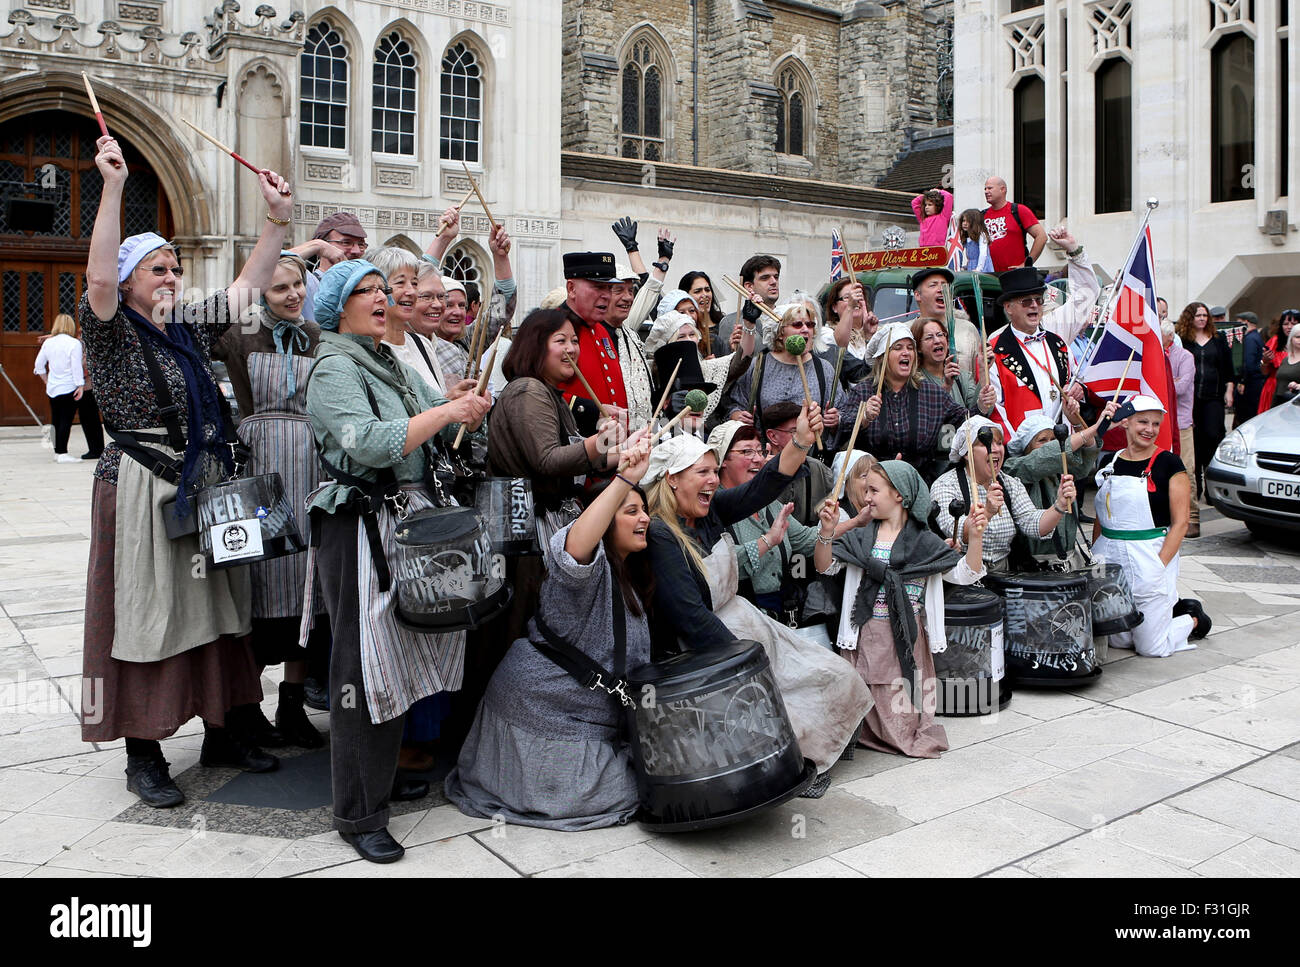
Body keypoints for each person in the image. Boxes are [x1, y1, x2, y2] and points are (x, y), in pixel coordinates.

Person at [79, 134, 293, 807]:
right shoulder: (110, 328)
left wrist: (276, 219)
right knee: (151, 617)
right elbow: (99, 281)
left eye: (175, 268)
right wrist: (112, 187)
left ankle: (223, 733)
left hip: (204, 486)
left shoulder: (186, 329)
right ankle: (143, 755)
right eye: (158, 270)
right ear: (132, 281)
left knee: (219, 612)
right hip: (143, 486)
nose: (171, 278)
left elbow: (246, 287)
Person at [301, 258, 491, 863]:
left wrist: (454, 404)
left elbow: (430, 424)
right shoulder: (333, 365)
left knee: (396, 662)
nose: (382, 298)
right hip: (358, 526)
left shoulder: (383, 360)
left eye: (384, 289)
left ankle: (381, 787)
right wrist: (444, 413)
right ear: (337, 306)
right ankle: (359, 815)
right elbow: (371, 441)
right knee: (361, 669)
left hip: (400, 526)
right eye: (367, 291)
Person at [641, 408, 872, 792]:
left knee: (834, 674)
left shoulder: (710, 509)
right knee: (778, 705)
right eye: (702, 472)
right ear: (672, 479)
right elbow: (692, 620)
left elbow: (763, 486)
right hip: (714, 651)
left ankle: (824, 748)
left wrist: (799, 440)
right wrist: (748, 663)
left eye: (715, 472)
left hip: (748, 623)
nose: (713, 481)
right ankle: (803, 762)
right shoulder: (663, 536)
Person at [445, 435, 653, 830]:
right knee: (637, 788)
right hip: (538, 716)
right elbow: (574, 544)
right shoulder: (582, 575)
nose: (644, 518)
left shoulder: (629, 573)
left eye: (644, 510)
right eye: (630, 511)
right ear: (604, 519)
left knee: (657, 776)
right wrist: (623, 480)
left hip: (581, 719)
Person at [209, 251, 329, 750]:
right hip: (256, 468)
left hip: (311, 467)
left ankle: (293, 704)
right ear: (259, 293)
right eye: (280, 288)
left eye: (298, 284)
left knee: (308, 588)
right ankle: (242, 711)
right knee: (255, 589)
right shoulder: (234, 335)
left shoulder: (319, 337)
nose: (294, 295)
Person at [815, 460, 988, 758]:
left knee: (901, 702)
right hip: (865, 630)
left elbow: (965, 574)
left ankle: (897, 735)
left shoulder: (925, 542)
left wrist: (975, 538)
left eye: (874, 490)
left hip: (906, 637)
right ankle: (865, 733)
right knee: (868, 689)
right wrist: (827, 532)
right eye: (866, 489)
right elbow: (825, 566)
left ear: (899, 495)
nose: (866, 497)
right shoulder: (860, 537)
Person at [1092, 396, 1206, 656]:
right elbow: (1101, 513)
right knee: (1117, 640)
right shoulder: (1109, 462)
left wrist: (1159, 565)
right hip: (1109, 555)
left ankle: (1193, 617)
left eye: (1155, 424)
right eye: (1142, 421)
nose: (1149, 429)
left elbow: (1180, 523)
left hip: (1149, 554)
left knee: (1151, 648)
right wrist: (1095, 555)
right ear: (1126, 423)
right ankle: (1160, 620)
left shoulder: (1169, 463)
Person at [833, 323, 986, 480]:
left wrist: (981, 405)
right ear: (882, 357)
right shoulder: (863, 392)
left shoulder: (931, 393)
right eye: (898, 348)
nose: (906, 353)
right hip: (872, 485)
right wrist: (864, 417)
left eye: (910, 348)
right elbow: (841, 430)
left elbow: (966, 421)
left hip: (920, 483)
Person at [931, 416, 1076, 572]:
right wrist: (987, 513)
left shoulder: (1010, 484)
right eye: (985, 444)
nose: (995, 449)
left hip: (1005, 572)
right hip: (962, 572)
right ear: (966, 453)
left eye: (999, 443)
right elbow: (957, 534)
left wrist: (1059, 505)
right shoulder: (945, 485)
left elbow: (1034, 525)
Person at [709, 421, 817, 621]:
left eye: (760, 451)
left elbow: (804, 540)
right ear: (722, 459)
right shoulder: (712, 507)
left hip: (779, 614)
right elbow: (719, 565)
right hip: (739, 621)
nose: (758, 459)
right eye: (747, 452)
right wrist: (767, 541)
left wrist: (853, 524)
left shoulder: (769, 504)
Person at [1003, 398, 1116, 568]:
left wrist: (1077, 424)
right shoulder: (1014, 467)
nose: (1051, 444)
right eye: (1042, 440)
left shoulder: (1061, 468)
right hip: (1033, 563)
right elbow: (1045, 456)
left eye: (1054, 439)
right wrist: (1095, 428)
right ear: (1025, 447)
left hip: (1068, 558)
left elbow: (1085, 460)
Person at [726, 302, 840, 439]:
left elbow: (842, 411)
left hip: (808, 453)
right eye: (797, 325)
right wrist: (737, 415)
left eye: (810, 325)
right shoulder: (758, 365)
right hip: (765, 453)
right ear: (780, 333)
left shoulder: (824, 369)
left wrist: (835, 419)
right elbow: (735, 403)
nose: (805, 329)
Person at [1176, 302, 1233, 503]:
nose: (1202, 318)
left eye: (1204, 315)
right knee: (1196, 441)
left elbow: (1227, 369)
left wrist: (1229, 391)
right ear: (1190, 318)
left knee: (1212, 437)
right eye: (1198, 315)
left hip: (1214, 396)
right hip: (1191, 399)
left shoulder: (1218, 340)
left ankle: (1211, 487)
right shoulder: (1183, 340)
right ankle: (1196, 486)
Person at [762, 401, 835, 526]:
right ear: (772, 436)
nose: (804, 435)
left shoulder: (818, 469)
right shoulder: (759, 471)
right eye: (795, 431)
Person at [291, 211, 368, 322]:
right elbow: (265, 269)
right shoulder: (306, 282)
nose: (356, 251)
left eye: (361, 244)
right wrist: (317, 245)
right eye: (346, 242)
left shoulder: (367, 290)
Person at [1163, 320, 1199, 537]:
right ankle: (1170, 515)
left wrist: (1166, 383)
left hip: (1182, 421)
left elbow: (1181, 387)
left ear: (1169, 336)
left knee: (1186, 469)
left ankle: (1192, 517)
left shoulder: (1184, 357)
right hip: (1162, 421)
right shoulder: (1158, 356)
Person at [909, 266, 981, 376]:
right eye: (933, 285)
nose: (941, 289)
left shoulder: (968, 329)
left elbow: (978, 374)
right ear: (917, 295)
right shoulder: (906, 331)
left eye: (944, 285)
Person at [33, 313, 85, 463]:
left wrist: (46, 381)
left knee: (56, 419)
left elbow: (38, 365)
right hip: (69, 386)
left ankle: (57, 451)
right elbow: (76, 367)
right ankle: (62, 452)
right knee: (65, 421)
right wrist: (80, 385)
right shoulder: (74, 343)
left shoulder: (48, 343)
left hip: (53, 387)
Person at [713, 254, 781, 356]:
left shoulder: (788, 317)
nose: (773, 282)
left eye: (776, 277)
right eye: (765, 278)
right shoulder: (730, 322)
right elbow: (724, 363)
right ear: (749, 286)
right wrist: (730, 348)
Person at [914, 315, 980, 410]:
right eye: (929, 337)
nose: (937, 341)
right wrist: (947, 386)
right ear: (919, 347)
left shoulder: (962, 376)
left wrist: (983, 372)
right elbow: (928, 418)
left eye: (940, 335)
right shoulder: (914, 381)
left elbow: (977, 413)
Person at [982, 175, 1046, 271]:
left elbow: (1041, 237)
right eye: (985, 189)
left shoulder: (1019, 210)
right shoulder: (981, 215)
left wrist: (1026, 264)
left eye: (990, 188)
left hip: (1015, 275)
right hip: (988, 276)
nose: (986, 191)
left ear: (1002, 189)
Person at [825, 275, 878, 362]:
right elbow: (840, 347)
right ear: (834, 307)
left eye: (859, 296)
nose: (855, 300)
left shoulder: (878, 333)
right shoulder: (827, 333)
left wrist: (869, 336)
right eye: (847, 297)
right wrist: (850, 306)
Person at [1259, 309, 1299, 412]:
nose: (1289, 327)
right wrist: (1265, 362)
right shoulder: (1274, 342)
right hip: (1273, 388)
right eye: (1285, 324)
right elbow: (1264, 372)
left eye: (1294, 323)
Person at [1234, 311, 1265, 426]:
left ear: (1245, 322)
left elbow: (1248, 363)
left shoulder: (1249, 339)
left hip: (1250, 384)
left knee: (1246, 418)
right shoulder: (1256, 337)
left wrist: (1243, 381)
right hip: (1255, 382)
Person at [1270, 325, 1300, 406]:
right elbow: (1278, 386)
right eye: (1298, 337)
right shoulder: (1286, 360)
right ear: (1291, 339)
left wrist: (1298, 386)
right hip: (1280, 405)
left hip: (1296, 407)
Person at [958, 208, 994, 273]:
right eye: (963, 221)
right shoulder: (967, 237)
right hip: (972, 267)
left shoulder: (981, 235)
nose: (965, 223)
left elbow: (983, 254)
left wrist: (979, 269)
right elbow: (970, 258)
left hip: (982, 267)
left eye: (968, 221)